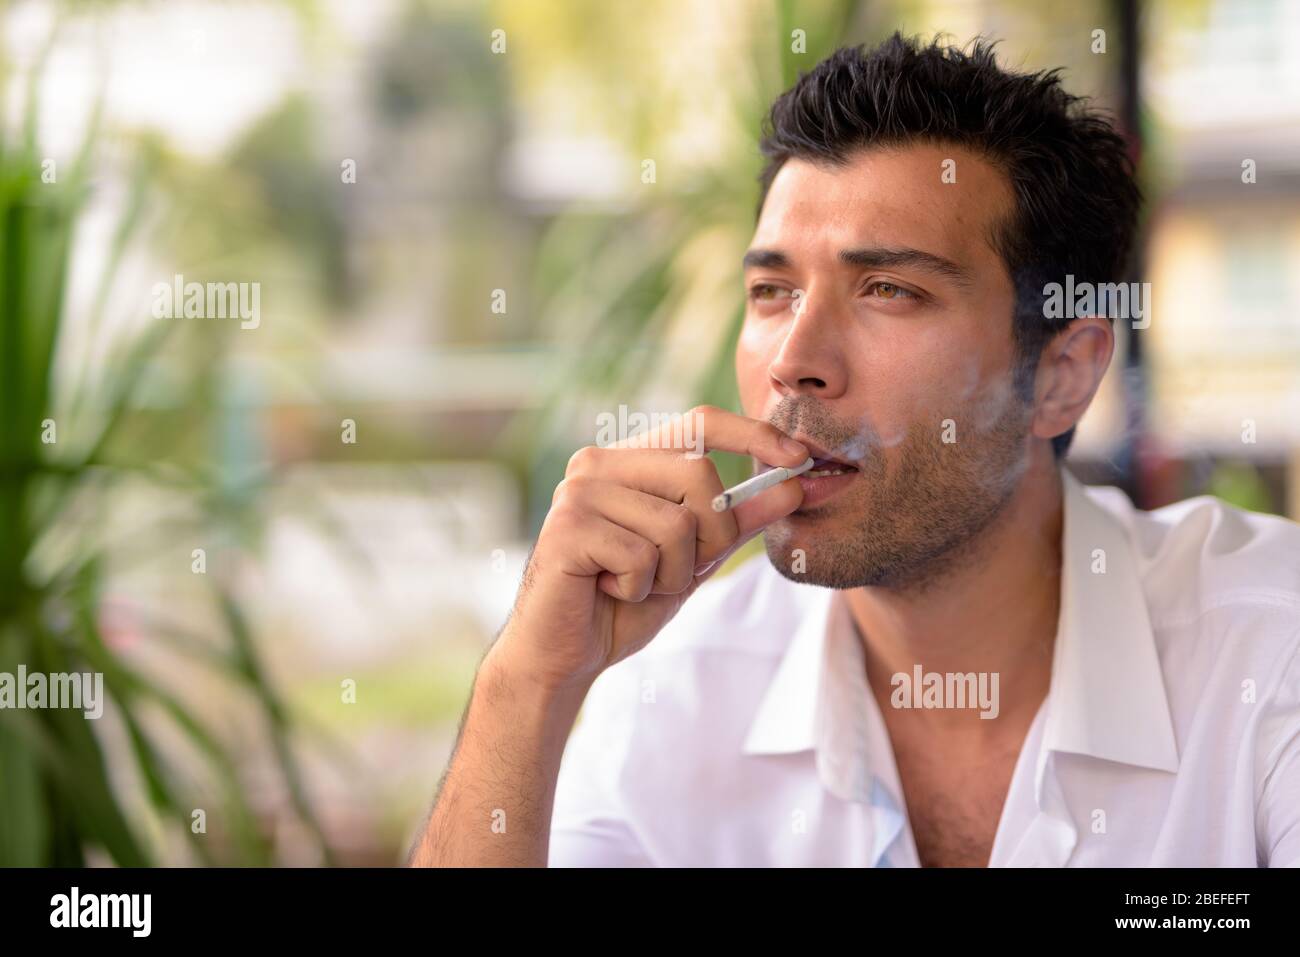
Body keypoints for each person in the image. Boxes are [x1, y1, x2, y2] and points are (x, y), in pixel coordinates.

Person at [408, 33, 1300, 867]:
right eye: (770, 290)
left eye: (888, 289)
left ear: (1061, 374)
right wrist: (527, 682)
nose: (796, 363)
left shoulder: (1264, 646)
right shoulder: (672, 695)